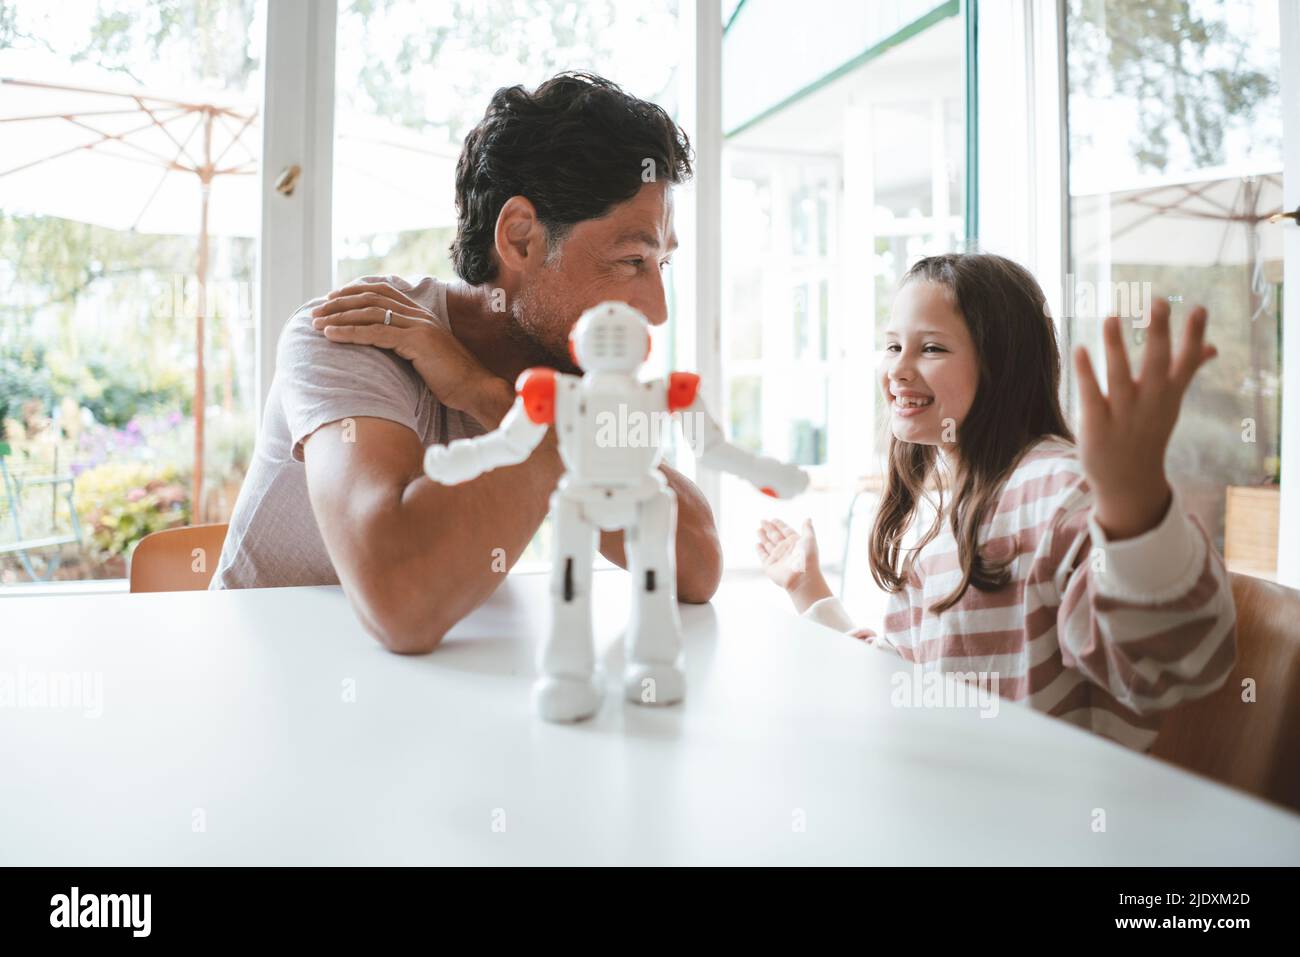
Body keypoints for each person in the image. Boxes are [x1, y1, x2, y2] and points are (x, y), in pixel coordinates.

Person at [211, 73, 723, 655]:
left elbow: (697, 565)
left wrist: (490, 398)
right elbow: (399, 602)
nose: (655, 310)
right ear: (522, 238)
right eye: (632, 260)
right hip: (264, 703)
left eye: (662, 265)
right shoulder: (352, 332)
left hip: (436, 715)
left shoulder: (571, 371)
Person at [756, 252, 1236, 751]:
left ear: (1002, 365)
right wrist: (810, 593)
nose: (897, 368)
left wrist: (1135, 512)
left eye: (932, 348)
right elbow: (911, 681)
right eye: (893, 345)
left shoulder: (1057, 487)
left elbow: (1168, 665)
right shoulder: (947, 507)